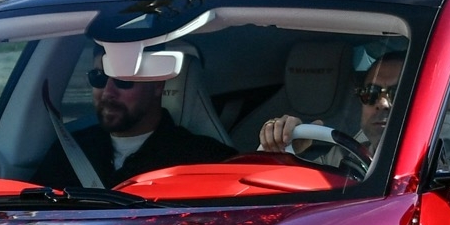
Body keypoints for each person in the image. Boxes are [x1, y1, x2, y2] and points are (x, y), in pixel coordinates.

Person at [30, 58, 233, 188]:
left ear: (157, 86)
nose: (108, 92)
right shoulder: (69, 152)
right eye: (98, 77)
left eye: (124, 80)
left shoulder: (204, 161)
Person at [256, 39, 407, 167]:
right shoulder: (348, 156)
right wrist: (283, 148)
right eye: (370, 92)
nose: (382, 103)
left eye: (398, 93)